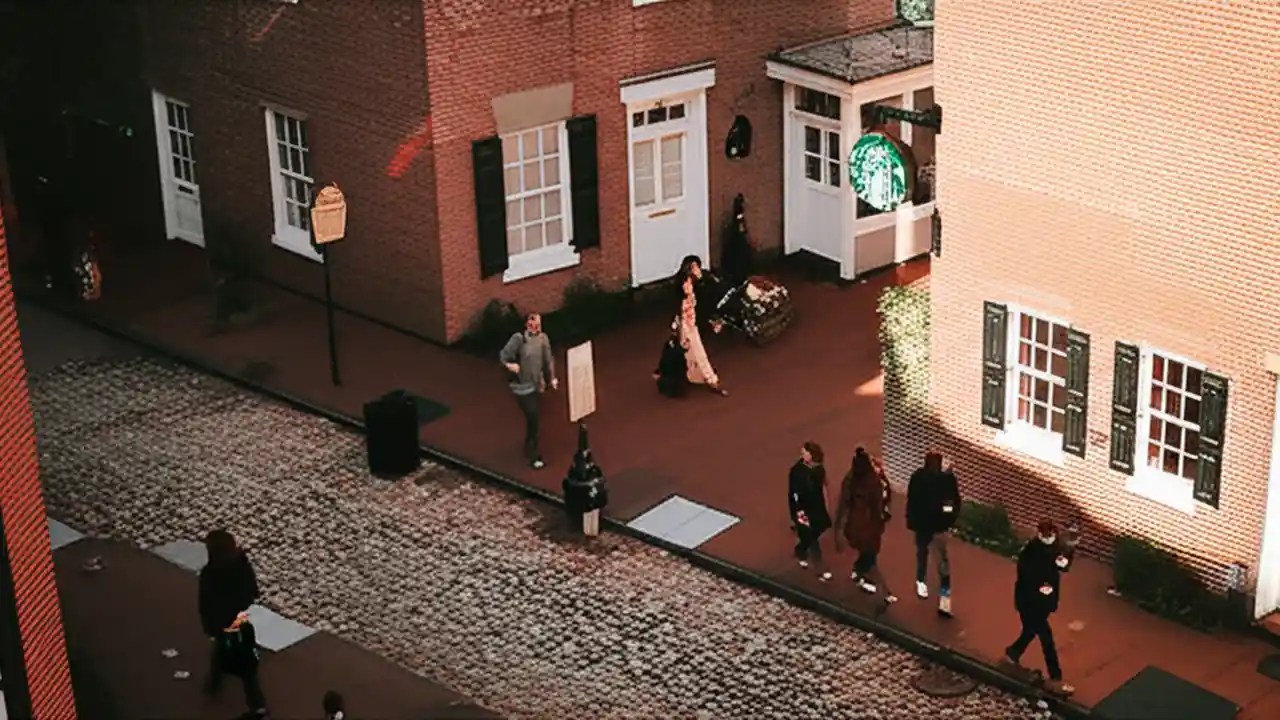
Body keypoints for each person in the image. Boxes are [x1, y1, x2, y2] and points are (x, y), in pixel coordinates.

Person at [198, 529, 267, 717]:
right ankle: (256, 702)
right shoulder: (242, 565)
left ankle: (215, 683)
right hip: (240, 621)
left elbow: (205, 603)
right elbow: (252, 591)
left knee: (222, 652)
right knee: (244, 661)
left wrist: (209, 626)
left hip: (222, 624)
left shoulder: (209, 574)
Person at [1005, 520, 1075, 696]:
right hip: (1029, 602)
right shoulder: (1031, 551)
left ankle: (1013, 652)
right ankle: (1055, 675)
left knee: (1030, 631)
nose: (1050, 539)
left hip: (1043, 602)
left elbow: (1063, 565)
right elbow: (1024, 574)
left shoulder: (1055, 548)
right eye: (1047, 535)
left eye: (1052, 535)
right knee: (1046, 637)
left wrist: (1069, 553)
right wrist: (1039, 586)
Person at [834, 447, 897, 604]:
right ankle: (878, 587)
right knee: (871, 555)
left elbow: (844, 504)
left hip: (862, 524)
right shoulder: (871, 482)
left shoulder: (855, 480)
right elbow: (875, 506)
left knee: (868, 553)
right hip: (867, 526)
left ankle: (859, 572)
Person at [499, 312, 558, 469]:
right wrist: (509, 365)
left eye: (538, 322)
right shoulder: (519, 339)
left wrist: (551, 377)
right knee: (533, 416)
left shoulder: (543, 339)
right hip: (521, 386)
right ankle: (533, 455)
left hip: (537, 385)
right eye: (533, 322)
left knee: (535, 419)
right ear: (526, 324)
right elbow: (503, 356)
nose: (536, 326)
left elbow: (548, 360)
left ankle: (529, 444)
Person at [906, 450, 962, 616]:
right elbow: (953, 503)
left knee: (922, 553)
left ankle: (921, 581)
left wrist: (912, 521)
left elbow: (912, 501)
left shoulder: (918, 478)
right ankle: (944, 602)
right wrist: (949, 520)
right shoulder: (945, 481)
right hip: (938, 527)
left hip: (924, 525)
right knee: (943, 565)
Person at [788, 442, 832, 581]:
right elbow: (794, 493)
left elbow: (822, 487)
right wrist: (798, 512)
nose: (803, 456)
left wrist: (826, 503)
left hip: (816, 506)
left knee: (819, 528)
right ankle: (820, 569)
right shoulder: (797, 471)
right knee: (812, 538)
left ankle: (800, 549)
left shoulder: (818, 469)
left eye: (805, 453)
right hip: (802, 508)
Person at [679, 275, 728, 396]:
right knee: (693, 354)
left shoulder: (695, 297)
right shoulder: (682, 302)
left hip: (692, 327)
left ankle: (706, 378)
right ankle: (706, 378)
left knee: (696, 354)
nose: (688, 287)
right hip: (686, 328)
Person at [653, 317, 688, 398]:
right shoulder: (670, 343)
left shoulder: (675, 341)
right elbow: (666, 357)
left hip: (676, 367)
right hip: (671, 367)